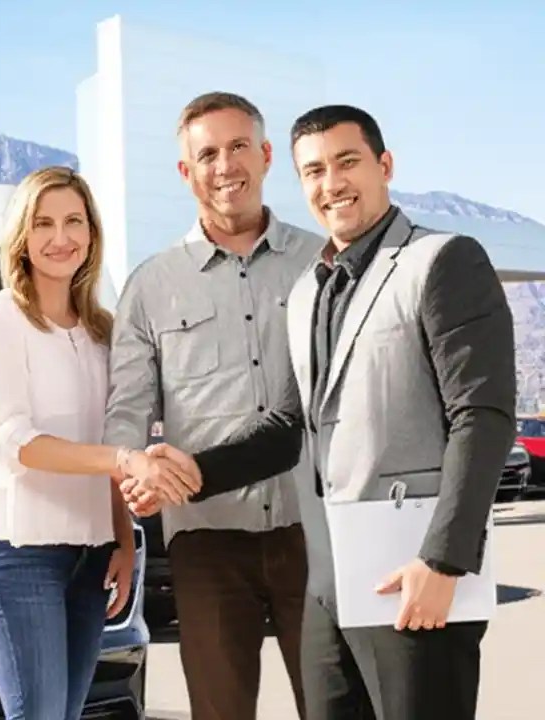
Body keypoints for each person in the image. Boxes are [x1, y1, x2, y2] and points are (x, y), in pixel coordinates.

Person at [125, 104, 517, 720]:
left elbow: (483, 416)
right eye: (314, 171)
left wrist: (443, 559)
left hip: (415, 574)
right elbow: (288, 428)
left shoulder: (443, 262)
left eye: (347, 163)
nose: (331, 183)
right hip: (329, 586)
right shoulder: (308, 289)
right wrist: (190, 472)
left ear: (385, 166)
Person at [103, 91, 322, 720]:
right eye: (206, 154)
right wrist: (129, 489)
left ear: (266, 154)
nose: (224, 166)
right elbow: (127, 414)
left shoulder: (323, 262)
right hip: (206, 544)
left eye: (237, 147)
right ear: (185, 172)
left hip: (316, 532)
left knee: (339, 707)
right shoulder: (151, 284)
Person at [0, 165, 198, 719]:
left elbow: (110, 438)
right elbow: (15, 443)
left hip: (90, 557)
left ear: (91, 234)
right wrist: (122, 458)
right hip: (18, 554)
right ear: (21, 235)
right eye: (43, 223)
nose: (60, 238)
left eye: (73, 221)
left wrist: (124, 540)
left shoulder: (103, 333)